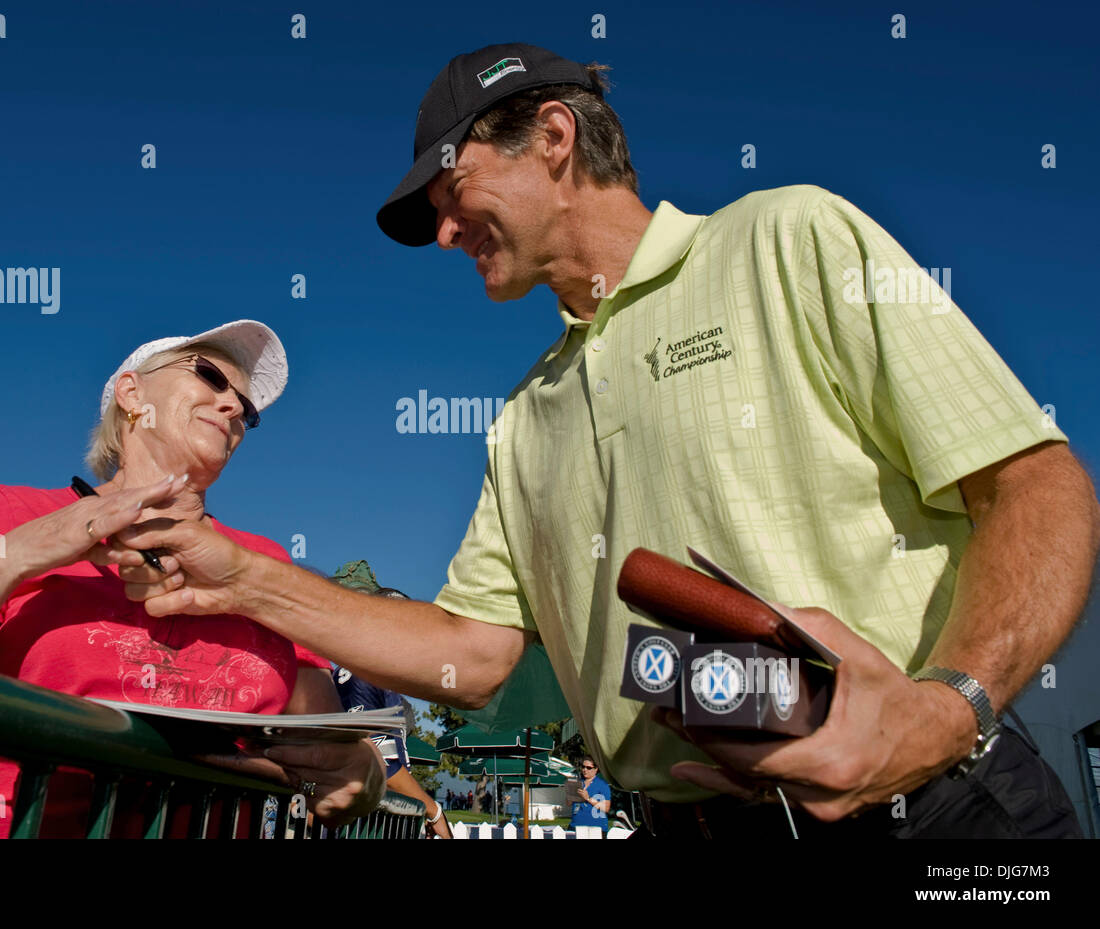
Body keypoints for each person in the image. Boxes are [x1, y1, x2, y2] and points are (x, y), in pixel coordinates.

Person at [96, 45, 1099, 838]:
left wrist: (949, 705)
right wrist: (241, 577)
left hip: (931, 809)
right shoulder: (527, 412)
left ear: (553, 137)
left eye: (450, 190)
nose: (443, 232)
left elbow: (1032, 485)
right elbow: (474, 655)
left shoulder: (785, 237)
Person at [0, 321, 385, 837]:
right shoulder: (15, 517)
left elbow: (322, 756)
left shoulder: (264, 564)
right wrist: (15, 557)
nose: (232, 407)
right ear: (132, 393)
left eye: (247, 410)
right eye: (210, 376)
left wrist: (364, 771)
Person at [329, 560, 453, 838]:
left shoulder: (365, 673)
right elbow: (380, 765)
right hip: (364, 825)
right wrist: (433, 812)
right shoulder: (362, 675)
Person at [570, 757, 610, 833]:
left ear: (596, 769)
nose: (584, 770)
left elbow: (606, 808)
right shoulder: (578, 783)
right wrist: (569, 796)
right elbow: (569, 804)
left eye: (588, 768)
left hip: (596, 828)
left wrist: (588, 798)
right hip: (575, 826)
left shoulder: (602, 785)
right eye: (583, 767)